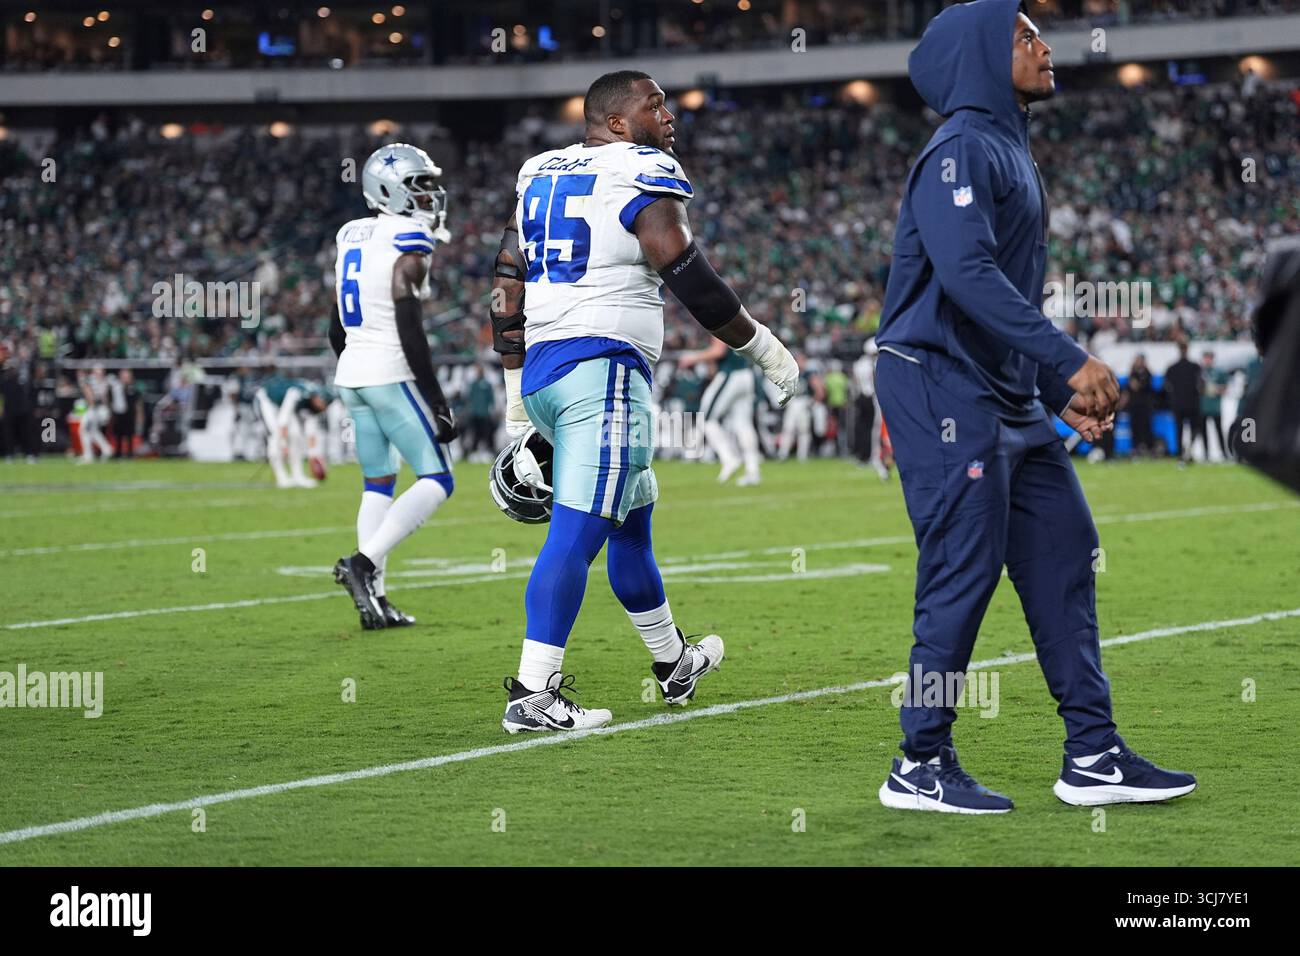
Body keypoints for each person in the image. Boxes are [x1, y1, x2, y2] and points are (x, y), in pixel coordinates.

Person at [873, 0, 1195, 813]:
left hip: (1004, 389)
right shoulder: (959, 147)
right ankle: (919, 761)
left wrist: (1056, 389)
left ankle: (1092, 754)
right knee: (963, 569)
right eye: (1022, 35)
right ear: (984, 54)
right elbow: (968, 278)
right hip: (938, 382)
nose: (1044, 46)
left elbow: (1002, 296)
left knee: (1066, 552)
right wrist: (1069, 359)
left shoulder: (1008, 148)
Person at [489, 70, 799, 733]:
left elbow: (507, 280)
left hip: (551, 372)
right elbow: (684, 269)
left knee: (633, 523)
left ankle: (672, 664)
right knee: (575, 536)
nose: (669, 112)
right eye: (653, 104)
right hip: (602, 372)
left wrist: (517, 390)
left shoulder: (539, 171)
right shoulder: (643, 167)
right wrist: (763, 345)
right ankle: (533, 694)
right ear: (618, 123)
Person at [328, 143, 459, 631]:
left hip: (352, 375)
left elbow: (336, 323)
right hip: (388, 371)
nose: (431, 195)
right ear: (389, 190)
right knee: (438, 478)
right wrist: (437, 399)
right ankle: (362, 564)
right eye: (420, 186)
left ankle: (375, 602)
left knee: (378, 482)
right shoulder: (408, 238)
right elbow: (410, 325)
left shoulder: (351, 234)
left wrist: (352, 366)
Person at [677, 337, 762, 485]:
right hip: (746, 374)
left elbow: (718, 350)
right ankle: (752, 470)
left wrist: (693, 358)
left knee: (706, 419)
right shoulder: (740, 319)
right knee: (743, 424)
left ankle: (729, 459)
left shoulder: (720, 317)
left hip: (731, 374)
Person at [1163, 341, 1202, 463]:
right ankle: (1185, 453)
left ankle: (1184, 453)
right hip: (1188, 403)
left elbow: (1167, 386)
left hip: (1182, 403)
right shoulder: (1193, 367)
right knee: (1186, 430)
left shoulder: (1174, 368)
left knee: (1184, 430)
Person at [1197, 350, 1228, 461]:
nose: (1207, 360)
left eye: (1209, 358)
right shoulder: (1199, 372)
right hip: (1203, 407)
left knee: (1219, 431)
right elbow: (1197, 389)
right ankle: (1206, 453)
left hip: (1215, 407)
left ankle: (1224, 453)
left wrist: (1216, 389)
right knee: (1203, 431)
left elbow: (1225, 388)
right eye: (1206, 358)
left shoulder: (1218, 372)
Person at [1124, 353, 1155, 457]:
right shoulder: (1132, 374)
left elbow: (1147, 387)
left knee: (1146, 428)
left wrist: (1139, 385)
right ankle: (1135, 449)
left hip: (1145, 406)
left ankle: (1148, 448)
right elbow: (1129, 388)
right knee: (1134, 428)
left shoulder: (1147, 374)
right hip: (1133, 406)